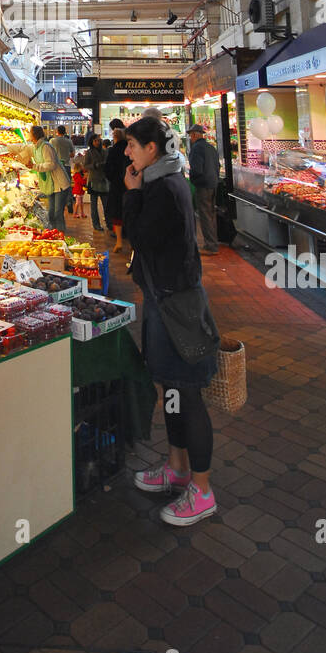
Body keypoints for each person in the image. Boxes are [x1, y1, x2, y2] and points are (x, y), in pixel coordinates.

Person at [123, 115, 220, 525]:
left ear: (152, 149)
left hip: (177, 308)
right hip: (166, 301)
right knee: (174, 391)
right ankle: (178, 468)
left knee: (189, 394)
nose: (126, 152)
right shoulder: (165, 181)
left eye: (131, 145)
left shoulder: (164, 188)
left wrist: (131, 194)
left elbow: (139, 236)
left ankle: (202, 489)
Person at [29, 125, 70, 232]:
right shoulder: (36, 147)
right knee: (51, 212)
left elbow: (51, 164)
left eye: (30, 132)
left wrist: (35, 167)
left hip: (59, 184)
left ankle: (61, 234)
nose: (28, 134)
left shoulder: (45, 146)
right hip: (50, 184)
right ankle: (54, 233)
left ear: (34, 135)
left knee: (57, 212)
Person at [188, 124, 220, 255]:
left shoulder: (196, 149)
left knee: (205, 215)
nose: (190, 138)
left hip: (203, 185)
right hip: (213, 183)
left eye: (191, 135)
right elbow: (217, 165)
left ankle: (211, 245)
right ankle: (214, 241)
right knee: (211, 213)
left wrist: (193, 179)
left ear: (195, 135)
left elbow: (197, 169)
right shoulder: (211, 147)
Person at [104, 118, 130, 254]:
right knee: (130, 211)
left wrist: (113, 179)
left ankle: (119, 241)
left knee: (117, 213)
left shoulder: (113, 150)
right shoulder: (130, 147)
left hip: (117, 186)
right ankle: (132, 243)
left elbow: (108, 169)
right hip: (130, 185)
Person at [83, 133, 110, 232]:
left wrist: (104, 165)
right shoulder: (89, 152)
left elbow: (108, 162)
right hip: (93, 180)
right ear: (92, 142)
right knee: (93, 205)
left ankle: (109, 223)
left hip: (103, 180)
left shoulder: (105, 151)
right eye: (96, 140)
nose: (98, 142)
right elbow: (85, 166)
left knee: (106, 204)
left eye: (99, 140)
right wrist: (94, 165)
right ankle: (96, 224)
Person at [50, 125, 75, 213]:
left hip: (56, 167)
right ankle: (69, 203)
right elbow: (72, 154)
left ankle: (59, 206)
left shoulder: (53, 141)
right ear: (65, 132)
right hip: (67, 165)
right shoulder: (69, 141)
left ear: (57, 131)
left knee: (57, 186)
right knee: (67, 186)